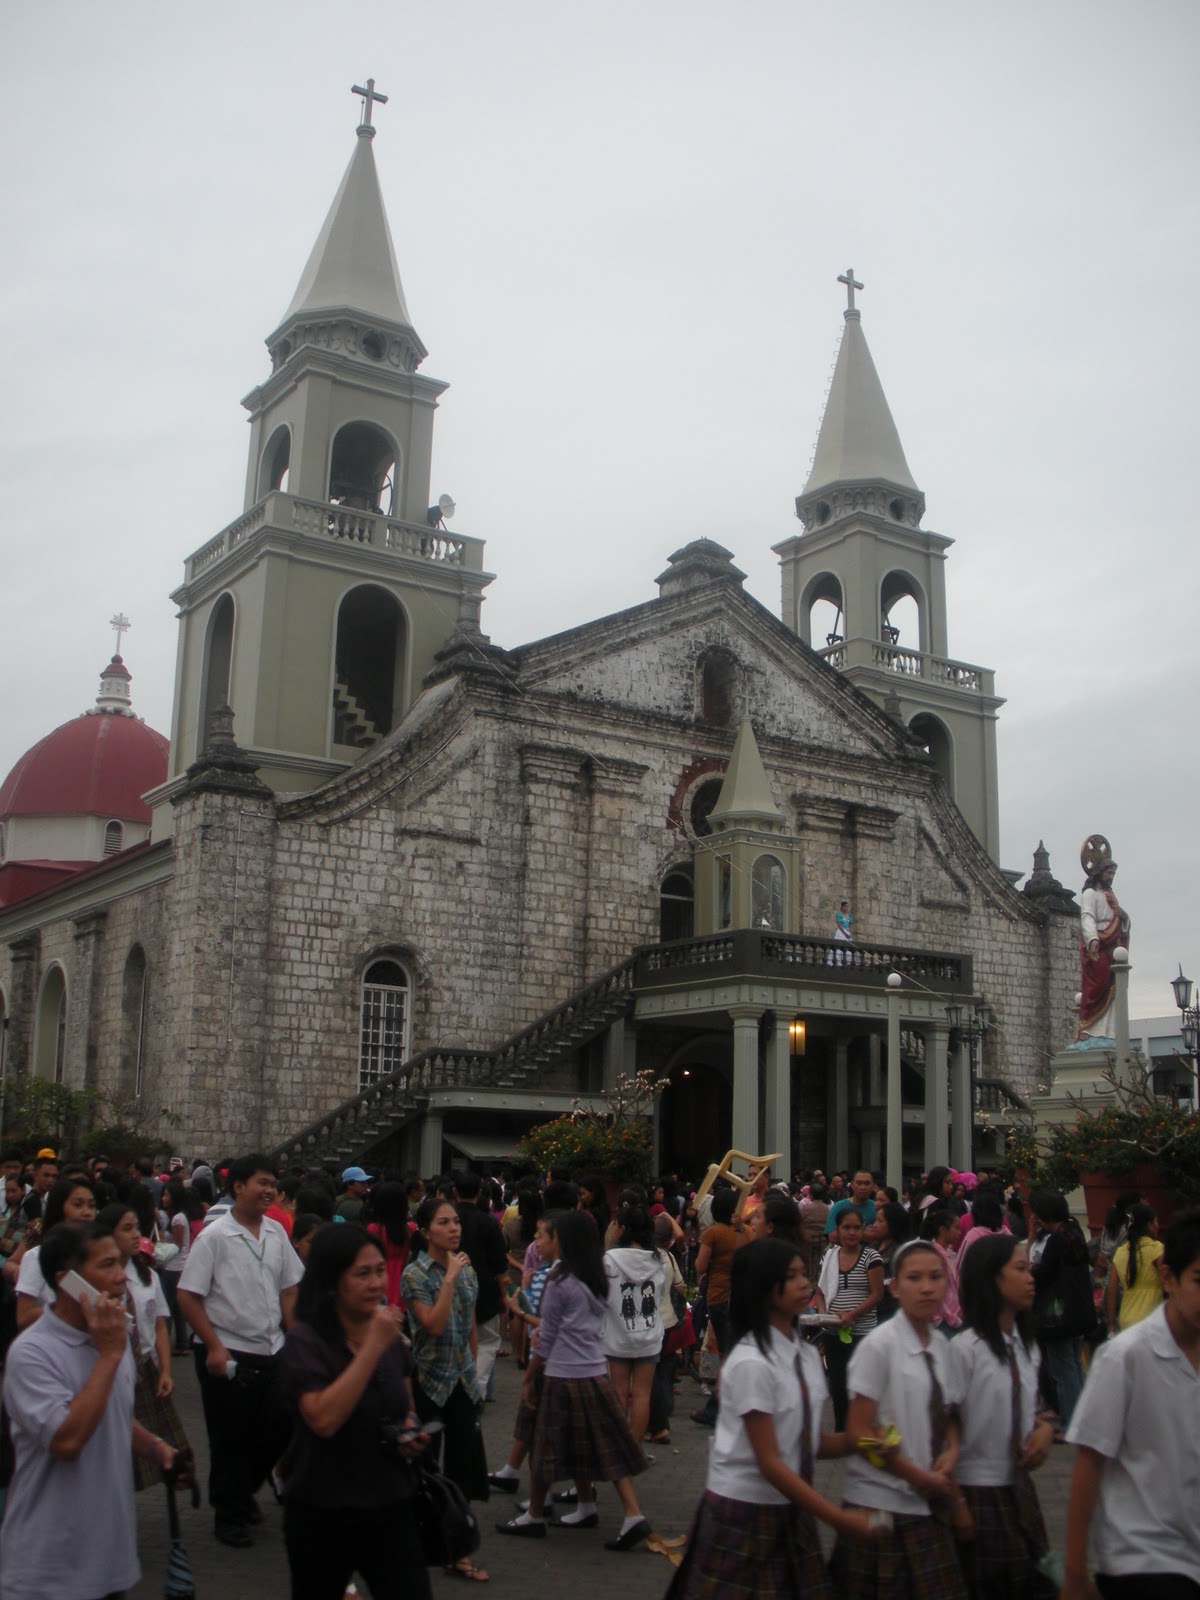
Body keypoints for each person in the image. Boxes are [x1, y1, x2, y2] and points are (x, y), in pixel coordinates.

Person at [668, 1239, 873, 1600]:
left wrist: (866, 1441)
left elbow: (807, 1443)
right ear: (763, 1288)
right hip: (744, 1513)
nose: (803, 1283)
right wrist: (837, 1518)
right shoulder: (750, 1362)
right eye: (791, 1276)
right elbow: (769, 1462)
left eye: (802, 1274)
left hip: (791, 1510)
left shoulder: (805, 1355)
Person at [1, 1221, 188, 1600]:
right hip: (48, 1569)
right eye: (106, 1266)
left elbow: (111, 1410)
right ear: (67, 1281)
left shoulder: (112, 1334)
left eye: (121, 1263)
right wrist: (109, 1355)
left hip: (110, 1562)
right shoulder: (33, 1352)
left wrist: (154, 1447)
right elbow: (66, 1440)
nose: (121, 1278)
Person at [277, 1222, 432, 1600]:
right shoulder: (305, 1343)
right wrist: (371, 1349)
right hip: (324, 1510)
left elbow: (405, 1405)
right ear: (332, 1282)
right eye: (362, 1274)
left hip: (391, 1503)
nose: (377, 1283)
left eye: (380, 1271)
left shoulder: (389, 1339)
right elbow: (323, 1420)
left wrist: (411, 1431)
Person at [1062, 1206, 1200, 1600]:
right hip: (1142, 1558)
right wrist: (1074, 1573)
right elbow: (1089, 1460)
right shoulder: (1126, 1357)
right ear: (1169, 1278)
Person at [497, 1210, 652, 1551]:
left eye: (545, 1236)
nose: (540, 1242)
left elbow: (549, 1334)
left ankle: (536, 1515)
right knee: (602, 1444)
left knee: (545, 1447)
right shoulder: (597, 1274)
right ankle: (614, 1511)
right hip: (595, 1370)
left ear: (563, 1241)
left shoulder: (560, 1278)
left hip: (562, 1373)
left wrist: (531, 1372)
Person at [830, 1238, 970, 1600]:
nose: (926, 1287)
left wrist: (952, 1452)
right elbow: (859, 1431)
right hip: (882, 1503)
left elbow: (950, 1413)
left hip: (927, 1500)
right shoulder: (879, 1346)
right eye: (914, 1278)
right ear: (894, 1288)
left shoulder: (942, 1346)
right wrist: (919, 1477)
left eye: (936, 1277)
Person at [177, 1152, 304, 1548]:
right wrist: (213, 1346)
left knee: (280, 1426)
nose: (269, 1191)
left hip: (273, 1348)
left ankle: (241, 1491)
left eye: (273, 1184)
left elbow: (289, 1288)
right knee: (229, 1437)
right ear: (238, 1187)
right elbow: (188, 1295)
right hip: (227, 1350)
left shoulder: (276, 1233)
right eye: (261, 1183)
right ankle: (229, 1514)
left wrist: (296, 1337)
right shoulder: (215, 1236)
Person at [951, 1234, 1055, 1599]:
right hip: (975, 1493)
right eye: (1021, 1269)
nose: (1031, 1278)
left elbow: (1024, 1407)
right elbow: (943, 1432)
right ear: (993, 1278)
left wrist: (1042, 1430)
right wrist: (956, 1504)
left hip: (1019, 1491)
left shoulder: (1026, 1346)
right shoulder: (965, 1351)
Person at [400, 1193, 490, 1581]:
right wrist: (449, 1277)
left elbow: (468, 1326)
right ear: (424, 1232)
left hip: (461, 1381)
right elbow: (433, 1325)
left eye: (455, 1222)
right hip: (428, 1380)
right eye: (443, 1223)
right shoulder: (415, 1276)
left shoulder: (467, 1271)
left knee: (461, 1468)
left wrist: (472, 1373)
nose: (454, 1228)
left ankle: (458, 1548)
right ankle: (418, 1540)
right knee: (423, 1467)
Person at [96, 1201, 189, 1489]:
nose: (137, 1235)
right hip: (111, 1370)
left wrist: (166, 1371)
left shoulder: (148, 1276)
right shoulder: (97, 1280)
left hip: (145, 1366)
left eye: (137, 1227)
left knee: (151, 1449)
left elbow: (160, 1326)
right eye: (127, 1229)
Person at [603, 1200, 673, 1445]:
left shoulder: (610, 1259)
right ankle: (635, 1450)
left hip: (617, 1335)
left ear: (621, 1228)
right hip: (649, 1333)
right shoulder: (658, 1260)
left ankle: (619, 1449)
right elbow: (661, 1293)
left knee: (619, 1392)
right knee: (642, 1395)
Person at [811, 1208, 884, 1429]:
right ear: (837, 1230)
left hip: (862, 1332)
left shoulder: (872, 1257)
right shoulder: (830, 1255)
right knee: (838, 1383)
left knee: (861, 1384)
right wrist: (825, 1314)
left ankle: (861, 1429)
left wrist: (851, 1314)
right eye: (846, 1227)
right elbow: (820, 1291)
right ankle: (842, 1429)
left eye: (856, 1228)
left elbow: (877, 1294)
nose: (851, 1233)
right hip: (833, 1332)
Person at [1028, 1189, 1092, 1434]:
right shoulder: (1074, 1230)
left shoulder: (1056, 1239)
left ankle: (1071, 1424)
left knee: (1063, 1371)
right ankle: (1082, 1420)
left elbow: (1043, 1275)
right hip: (1078, 1311)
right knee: (1074, 1366)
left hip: (1059, 1316)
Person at [690, 1188, 745, 1427]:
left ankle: (717, 1407)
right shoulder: (747, 1232)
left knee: (727, 1353)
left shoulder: (713, 1233)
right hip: (742, 1296)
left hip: (719, 1297)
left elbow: (700, 1266)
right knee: (732, 1351)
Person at [14, 1176, 98, 1330]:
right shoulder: (36, 1257)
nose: (87, 1212)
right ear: (59, 1208)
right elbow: (24, 1317)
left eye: (91, 1206)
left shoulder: (97, 1256)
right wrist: (70, 1310)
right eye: (78, 1205)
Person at [455, 1170, 510, 1397]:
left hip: (451, 1287)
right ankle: (476, 1387)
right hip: (485, 1289)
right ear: (479, 1193)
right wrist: (503, 1294)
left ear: (454, 1192)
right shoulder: (487, 1222)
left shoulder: (447, 1218)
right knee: (487, 1341)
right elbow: (499, 1263)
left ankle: (458, 1387)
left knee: (457, 1338)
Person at [1075, 840, 1130, 1044]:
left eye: (1113, 875)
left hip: (1113, 945)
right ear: (1099, 873)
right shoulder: (1090, 894)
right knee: (1096, 988)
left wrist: (1124, 917)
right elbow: (1087, 917)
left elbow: (1119, 917)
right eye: (1109, 874)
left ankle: (1109, 1031)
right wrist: (1093, 939)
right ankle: (1092, 1029)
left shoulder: (1109, 896)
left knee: (1114, 987)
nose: (1111, 878)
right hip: (1099, 944)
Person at [1103, 1202, 1163, 1335]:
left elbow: (1111, 1289)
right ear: (1149, 1225)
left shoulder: (1120, 1252)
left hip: (1126, 1320)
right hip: (1152, 1320)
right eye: (1156, 1221)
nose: (1157, 1225)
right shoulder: (1156, 1249)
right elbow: (1168, 1281)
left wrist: (1112, 1323)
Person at [826, 1169, 879, 1235]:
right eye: (859, 1183)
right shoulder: (838, 1207)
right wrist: (863, 1234)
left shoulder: (878, 1208)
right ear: (852, 1185)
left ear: (873, 1186)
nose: (863, 1187)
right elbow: (832, 1236)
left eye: (867, 1183)